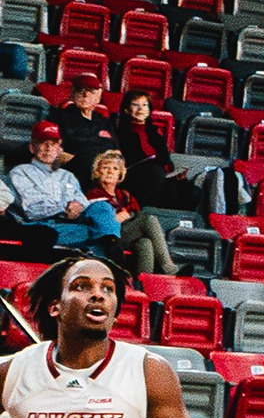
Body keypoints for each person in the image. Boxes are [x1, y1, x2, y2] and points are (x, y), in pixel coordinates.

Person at [0, 256, 200, 418]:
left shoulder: (149, 370)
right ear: (55, 308)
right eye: (81, 286)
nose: (98, 294)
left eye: (108, 288)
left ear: (114, 316)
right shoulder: (13, 370)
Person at [12, 122, 120, 255]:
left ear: (59, 149)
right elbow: (32, 210)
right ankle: (109, 250)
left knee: (102, 207)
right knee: (95, 237)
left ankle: (110, 241)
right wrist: (64, 208)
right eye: (43, 143)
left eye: (53, 144)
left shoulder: (67, 176)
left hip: (74, 227)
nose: (48, 148)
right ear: (32, 147)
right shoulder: (20, 172)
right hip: (44, 228)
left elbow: (83, 203)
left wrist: (77, 207)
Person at [88, 151, 180, 275]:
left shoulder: (125, 194)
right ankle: (167, 266)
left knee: (145, 243)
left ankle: (144, 280)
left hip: (128, 234)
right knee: (148, 219)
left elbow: (135, 214)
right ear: (98, 172)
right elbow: (98, 224)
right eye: (105, 168)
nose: (110, 172)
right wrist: (117, 218)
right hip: (110, 238)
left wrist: (128, 216)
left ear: (120, 175)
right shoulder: (93, 195)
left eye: (115, 169)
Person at [115, 92, 195, 210]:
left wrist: (175, 173)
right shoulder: (120, 134)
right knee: (157, 175)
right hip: (136, 176)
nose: (140, 109)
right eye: (135, 105)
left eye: (144, 105)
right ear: (126, 110)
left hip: (160, 176)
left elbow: (166, 159)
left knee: (193, 191)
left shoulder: (155, 133)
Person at [55, 74, 118, 180]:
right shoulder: (59, 117)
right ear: (72, 93)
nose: (85, 95)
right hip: (75, 172)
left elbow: (116, 151)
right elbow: (57, 153)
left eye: (91, 92)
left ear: (99, 97)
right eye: (80, 90)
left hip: (106, 173)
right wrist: (87, 163)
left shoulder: (104, 120)